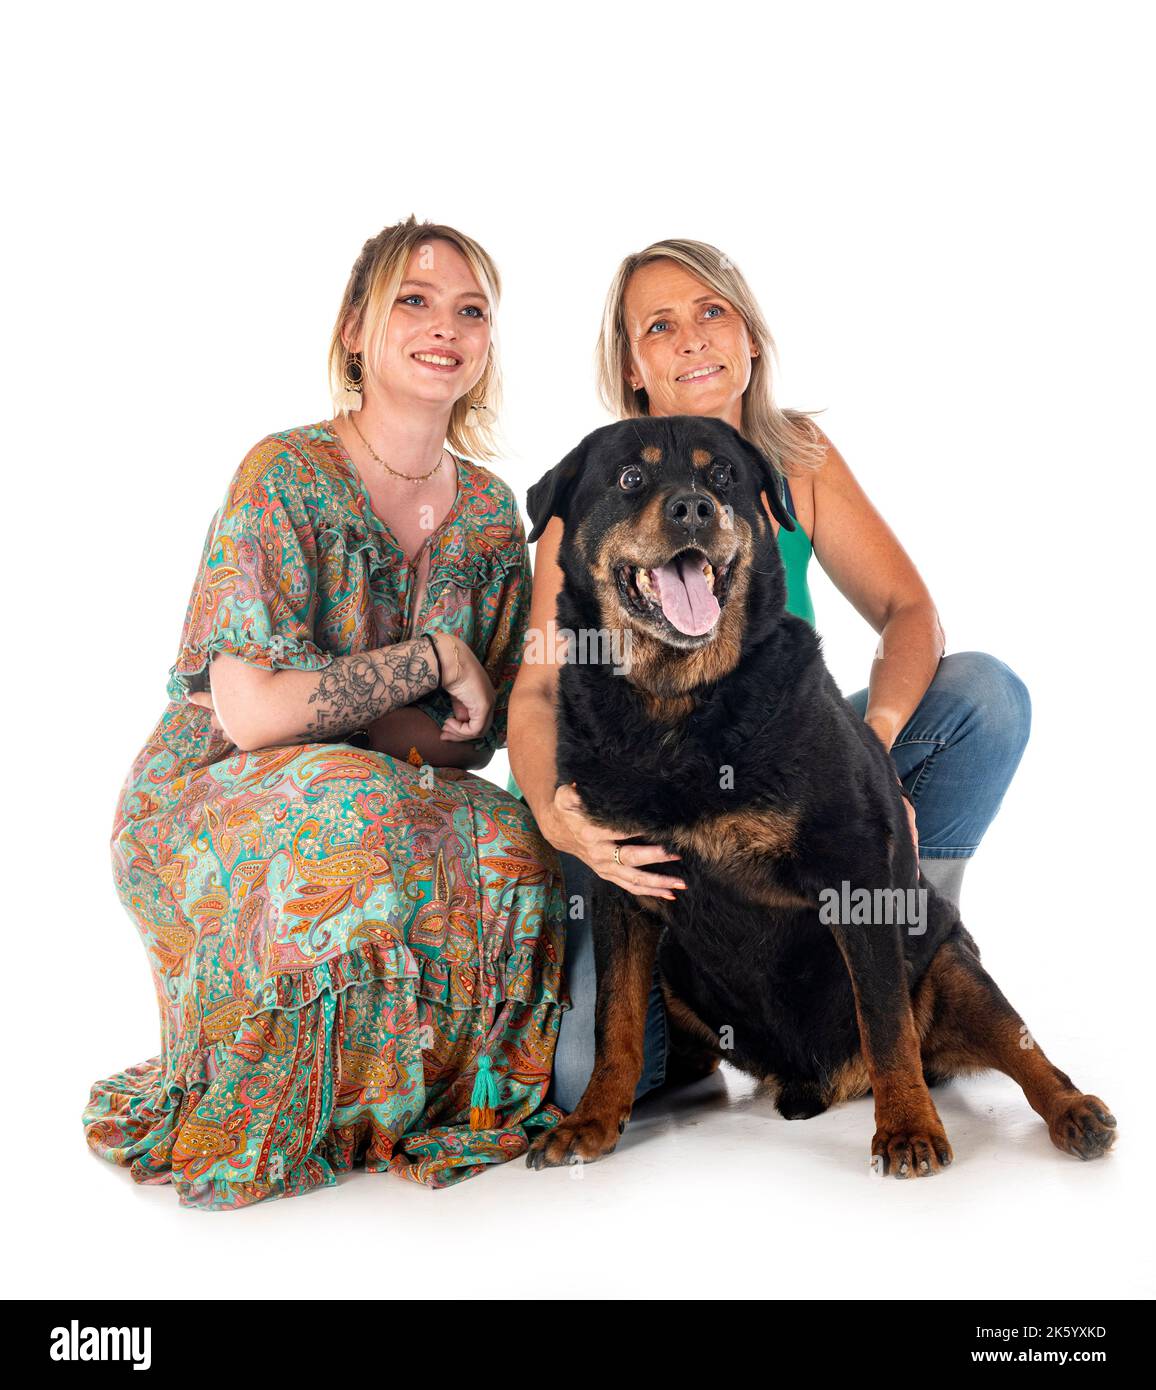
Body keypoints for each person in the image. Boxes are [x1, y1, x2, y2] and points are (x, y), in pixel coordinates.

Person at [83, 217, 567, 1210]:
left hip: (374, 782)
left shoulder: (485, 513)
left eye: (471, 310)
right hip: (208, 788)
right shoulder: (283, 475)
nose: (447, 327)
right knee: (346, 803)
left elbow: (467, 743)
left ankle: (402, 1101)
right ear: (355, 329)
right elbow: (255, 714)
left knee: (511, 839)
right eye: (415, 301)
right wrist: (432, 655)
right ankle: (280, 1100)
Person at [507, 238, 1031, 1113]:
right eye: (660, 326)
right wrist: (562, 820)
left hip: (790, 763)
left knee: (986, 696)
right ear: (632, 365)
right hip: (652, 793)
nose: (693, 340)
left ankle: (909, 961)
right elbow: (536, 686)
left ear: (750, 335)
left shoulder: (797, 456)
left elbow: (912, 614)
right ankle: (722, 1008)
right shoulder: (602, 492)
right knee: (576, 1081)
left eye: (713, 312)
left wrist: (875, 749)